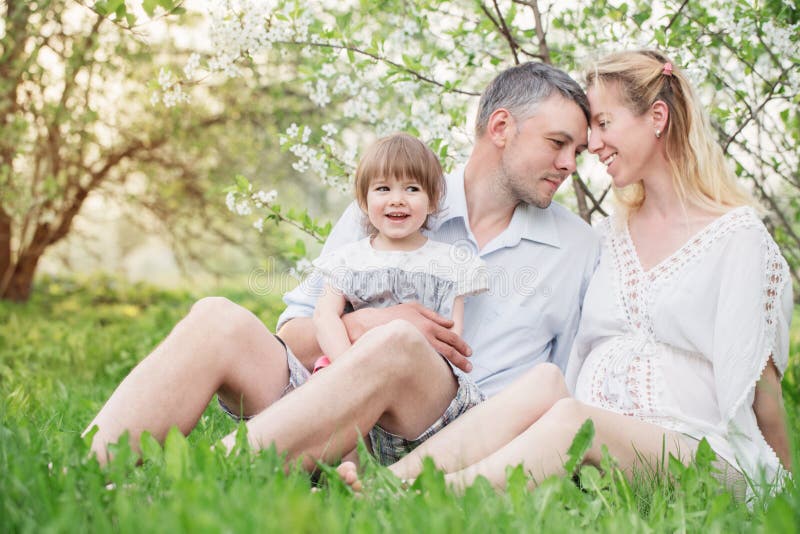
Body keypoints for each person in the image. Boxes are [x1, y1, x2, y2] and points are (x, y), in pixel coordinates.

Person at [84, 62, 599, 470]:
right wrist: (369, 322)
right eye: (558, 143)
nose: (570, 164)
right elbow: (293, 339)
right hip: (332, 396)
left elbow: (563, 396)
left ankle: (210, 477)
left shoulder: (577, 247)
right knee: (217, 318)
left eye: (577, 150)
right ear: (501, 127)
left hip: (447, 430)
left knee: (400, 346)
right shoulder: (394, 202)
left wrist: (395, 339)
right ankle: (79, 475)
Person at [337, 50, 793, 499]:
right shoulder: (609, 239)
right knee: (544, 385)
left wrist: (787, 492)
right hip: (602, 455)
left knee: (575, 420)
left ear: (657, 117)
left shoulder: (737, 236)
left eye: (603, 124)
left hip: (702, 455)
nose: (592, 145)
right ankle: (391, 478)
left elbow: (763, 387)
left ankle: (420, 495)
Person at [310, 132, 488, 462]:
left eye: (412, 189)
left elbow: (451, 334)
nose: (397, 199)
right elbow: (324, 317)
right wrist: (351, 367)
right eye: (383, 188)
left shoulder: (449, 263)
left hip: (418, 375)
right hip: (352, 363)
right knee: (331, 391)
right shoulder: (348, 260)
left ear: (432, 200)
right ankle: (348, 471)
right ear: (363, 201)